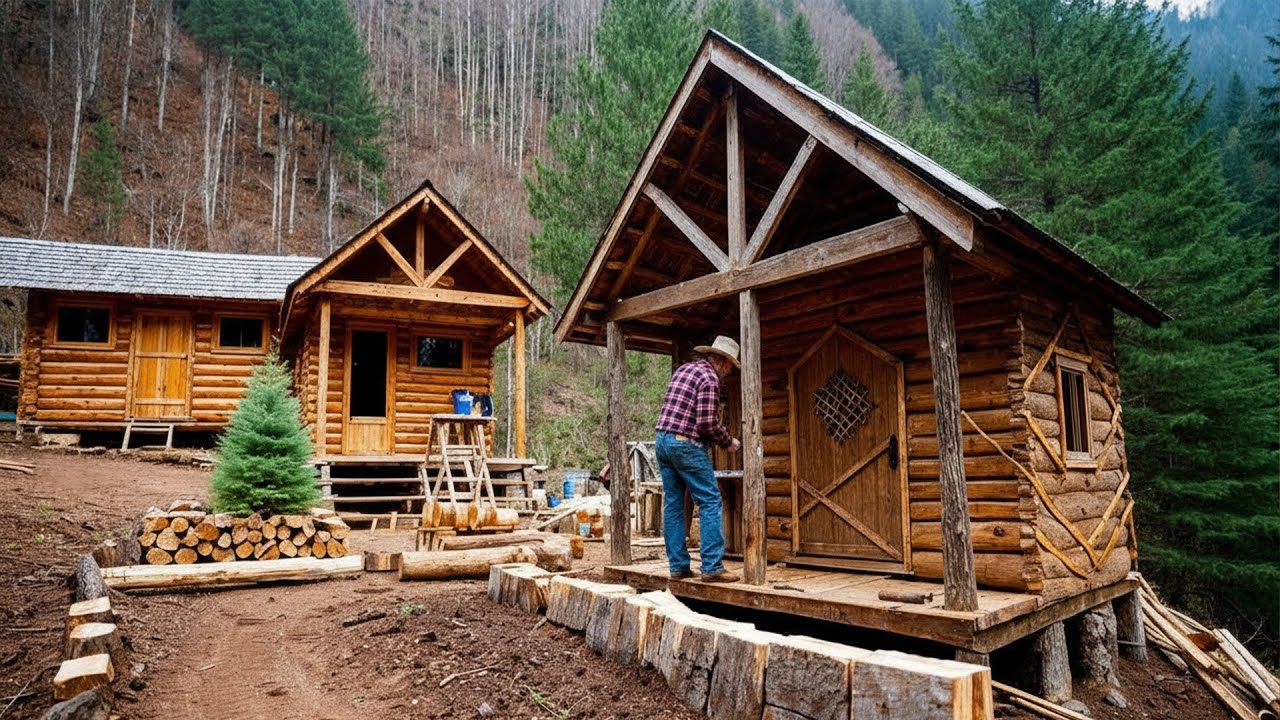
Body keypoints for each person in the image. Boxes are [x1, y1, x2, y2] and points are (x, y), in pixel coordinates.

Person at [654, 335, 741, 583]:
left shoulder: (685, 370)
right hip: (685, 443)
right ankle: (712, 567)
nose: (728, 372)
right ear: (723, 362)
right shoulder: (710, 378)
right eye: (730, 367)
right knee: (711, 500)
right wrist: (728, 442)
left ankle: (679, 566)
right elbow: (707, 423)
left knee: (673, 505)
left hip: (663, 441)